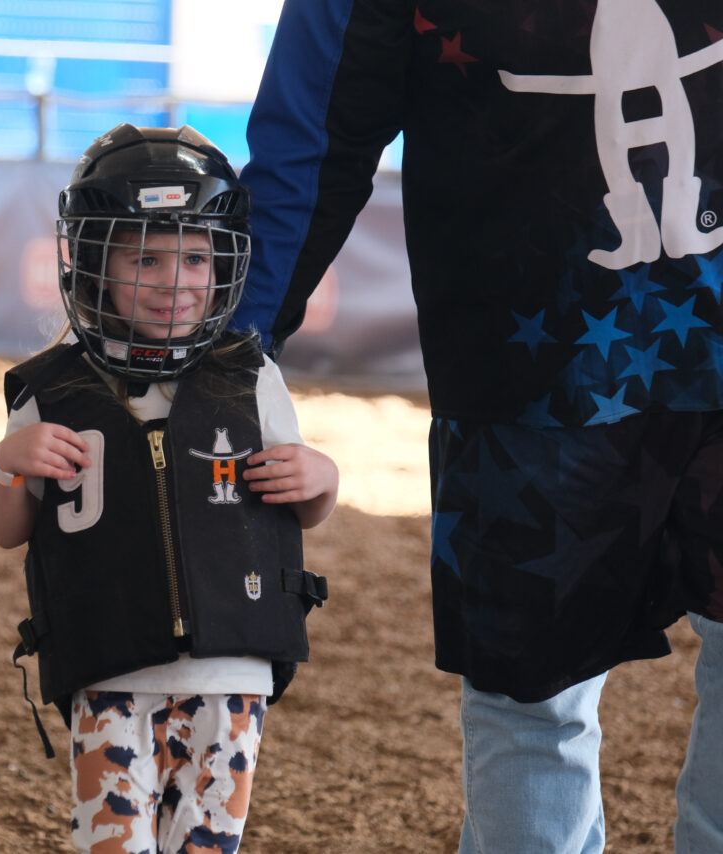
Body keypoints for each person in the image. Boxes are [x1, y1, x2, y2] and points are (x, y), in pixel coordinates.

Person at [234, 2, 723, 852]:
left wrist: (232, 347)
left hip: (530, 370)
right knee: (531, 705)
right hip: (531, 380)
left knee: (531, 712)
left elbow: (316, 138)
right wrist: (230, 350)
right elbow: (317, 133)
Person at [0, 123, 338, 853]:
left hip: (232, 674)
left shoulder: (253, 377)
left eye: (196, 257)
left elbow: (304, 506)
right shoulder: (54, 389)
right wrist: (6, 464)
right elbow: (7, 529)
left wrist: (322, 478)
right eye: (145, 257)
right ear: (93, 264)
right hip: (108, 667)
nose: (176, 282)